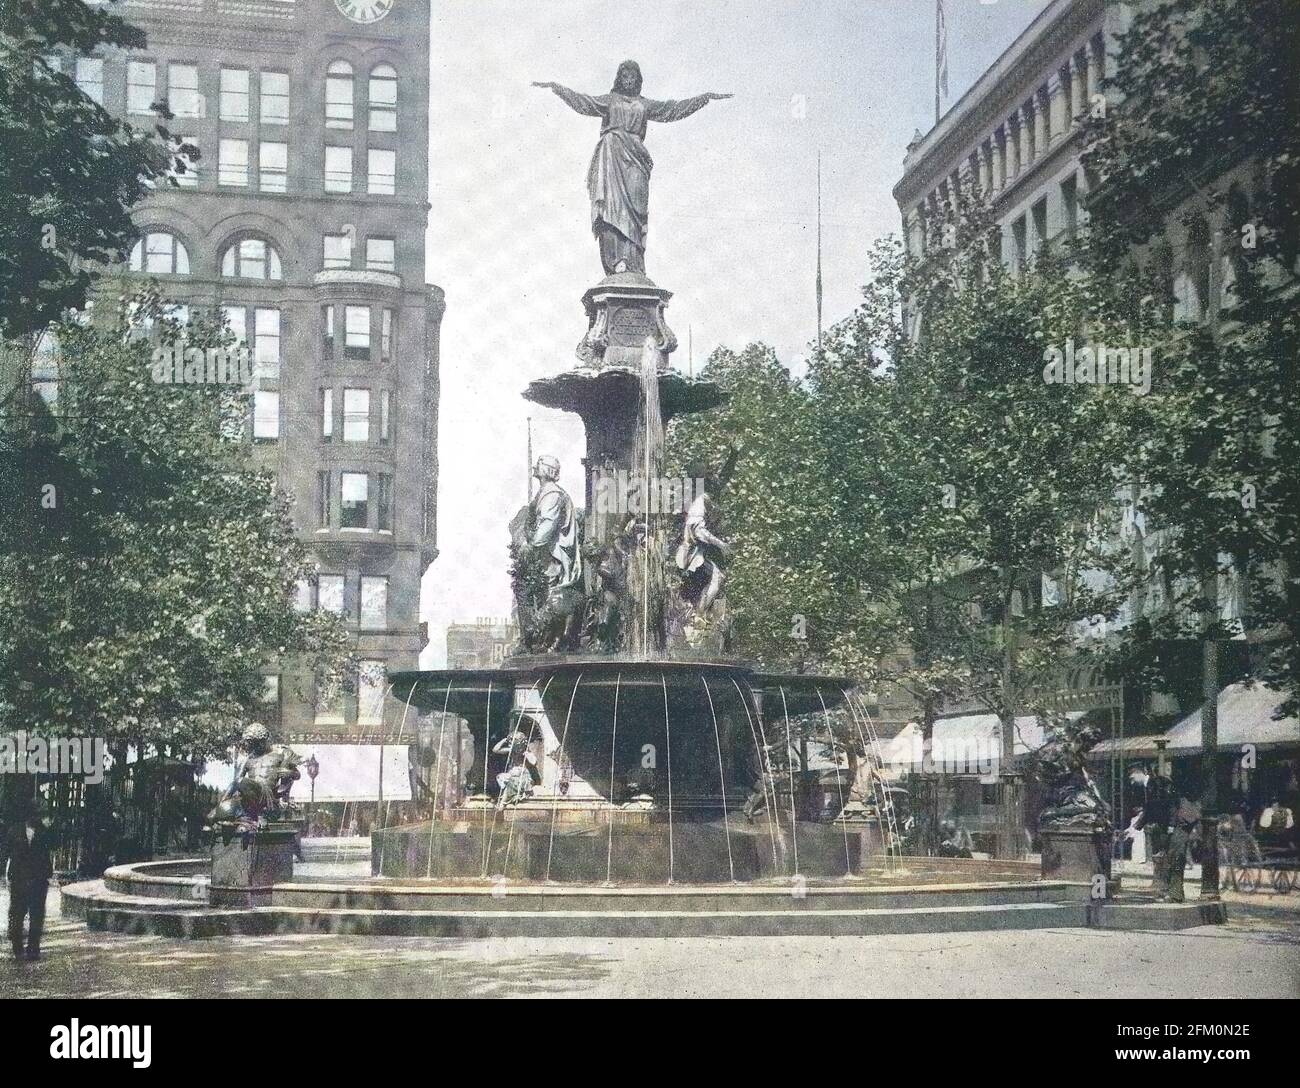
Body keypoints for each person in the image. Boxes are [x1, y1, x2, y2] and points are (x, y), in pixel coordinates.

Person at [533, 61, 732, 275]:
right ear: (619, 79)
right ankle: (616, 261)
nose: (629, 80)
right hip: (612, 156)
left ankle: (634, 263)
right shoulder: (610, 101)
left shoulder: (644, 104)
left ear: (638, 81)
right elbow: (584, 102)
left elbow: (672, 109)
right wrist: (558, 88)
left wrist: (703, 99)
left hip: (636, 159)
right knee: (612, 209)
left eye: (633, 77)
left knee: (637, 211)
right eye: (625, 76)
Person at [3, 804, 54, 961]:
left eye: (39, 815)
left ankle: (33, 948)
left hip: (38, 880)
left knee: (37, 915)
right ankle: (17, 947)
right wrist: (8, 875)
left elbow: (50, 851)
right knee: (17, 914)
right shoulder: (14, 831)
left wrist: (47, 875)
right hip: (19, 879)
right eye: (35, 814)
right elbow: (5, 852)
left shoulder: (44, 833)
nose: (36, 818)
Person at [1126, 763, 1175, 897]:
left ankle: (1165, 887)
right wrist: (1134, 828)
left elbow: (1169, 803)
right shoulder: (1147, 786)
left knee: (1163, 856)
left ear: (1140, 773)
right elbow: (1149, 809)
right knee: (1157, 856)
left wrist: (1171, 824)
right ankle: (1160, 886)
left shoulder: (1157, 783)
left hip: (1164, 825)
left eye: (1132, 777)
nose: (1132, 781)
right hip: (1157, 825)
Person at [1163, 791, 1202, 903]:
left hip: (1179, 830)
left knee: (1176, 859)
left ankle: (1175, 894)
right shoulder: (1184, 800)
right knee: (1174, 860)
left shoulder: (1182, 801)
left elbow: (1183, 817)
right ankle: (1175, 893)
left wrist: (1171, 825)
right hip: (1179, 829)